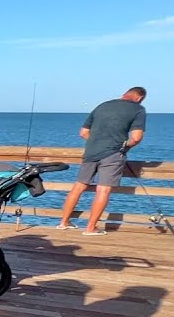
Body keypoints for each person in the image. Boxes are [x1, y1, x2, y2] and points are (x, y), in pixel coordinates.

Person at [57, 87, 147, 235]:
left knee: (78, 187)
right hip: (113, 154)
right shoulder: (138, 109)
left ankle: (63, 222)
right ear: (140, 98)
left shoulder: (103, 106)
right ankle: (90, 228)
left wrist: (97, 143)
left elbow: (84, 133)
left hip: (91, 151)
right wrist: (125, 146)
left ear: (124, 94)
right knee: (103, 190)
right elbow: (136, 137)